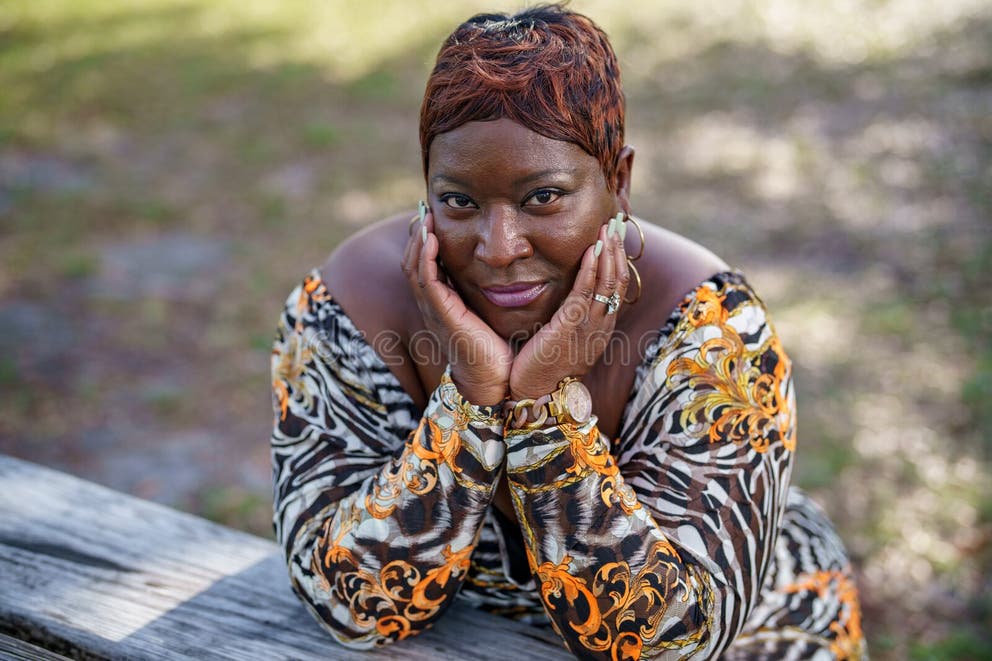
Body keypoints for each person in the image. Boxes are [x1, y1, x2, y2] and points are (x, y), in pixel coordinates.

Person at [270, 5, 866, 659]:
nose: (498, 248)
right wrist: (467, 398)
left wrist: (545, 405)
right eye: (459, 200)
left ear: (619, 182)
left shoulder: (713, 329)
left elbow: (671, 641)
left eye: (543, 197)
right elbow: (350, 604)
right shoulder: (347, 308)